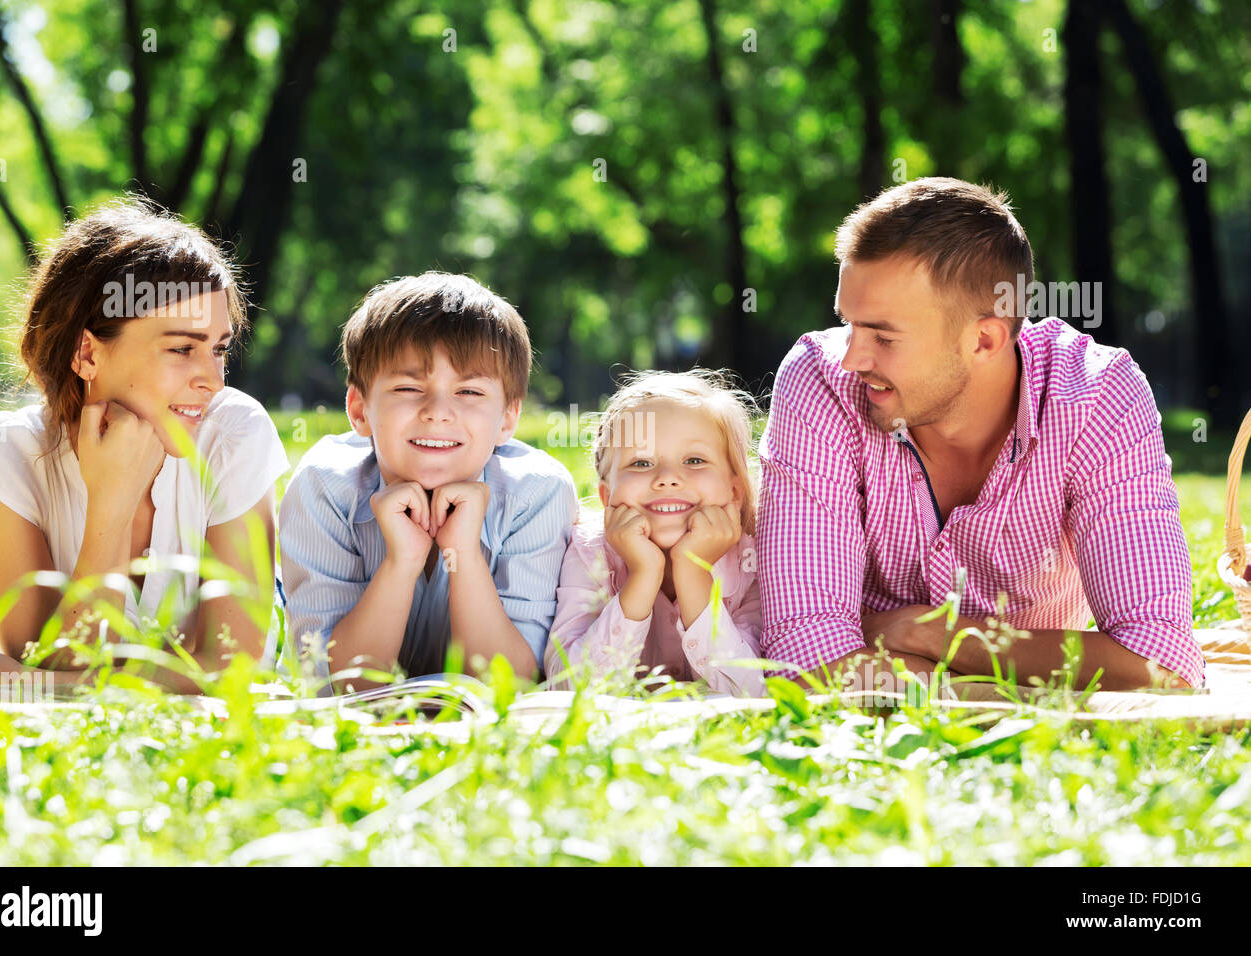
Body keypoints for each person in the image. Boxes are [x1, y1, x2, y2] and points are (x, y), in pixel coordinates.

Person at [757, 177, 1202, 693]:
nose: (853, 358)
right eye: (849, 324)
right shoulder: (820, 380)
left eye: (883, 336)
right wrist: (1009, 680)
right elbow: (804, 658)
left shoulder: (1095, 397)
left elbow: (1162, 665)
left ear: (985, 338)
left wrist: (931, 635)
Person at [0, 198, 288, 688]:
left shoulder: (234, 434)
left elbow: (234, 669)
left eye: (218, 349)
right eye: (181, 348)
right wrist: (109, 502)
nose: (213, 381)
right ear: (87, 352)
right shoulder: (3, 451)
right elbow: (44, 663)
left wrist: (28, 677)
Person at [279, 272, 578, 692]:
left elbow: (509, 685)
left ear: (508, 418)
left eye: (470, 392)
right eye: (407, 387)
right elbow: (333, 687)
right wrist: (400, 564)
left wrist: (463, 555)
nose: (438, 411)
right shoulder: (324, 487)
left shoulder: (537, 493)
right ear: (360, 409)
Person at [546, 370, 763, 697]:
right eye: (641, 463)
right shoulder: (589, 552)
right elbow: (568, 688)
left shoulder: (754, 561)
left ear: (734, 492)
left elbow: (752, 692)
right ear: (608, 498)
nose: (668, 478)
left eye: (694, 460)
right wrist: (643, 576)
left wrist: (693, 573)